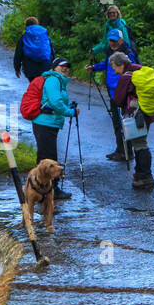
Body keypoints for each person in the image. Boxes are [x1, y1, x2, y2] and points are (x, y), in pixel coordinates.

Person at [30, 57, 79, 200]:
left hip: (48, 123)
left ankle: (42, 189)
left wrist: (69, 107)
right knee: (49, 159)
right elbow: (55, 102)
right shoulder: (53, 80)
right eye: (61, 66)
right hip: (45, 123)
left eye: (66, 67)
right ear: (54, 67)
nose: (64, 68)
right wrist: (70, 112)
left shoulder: (58, 81)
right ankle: (51, 190)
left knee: (45, 157)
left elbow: (56, 103)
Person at [88, 30, 137, 162]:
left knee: (125, 123)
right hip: (112, 92)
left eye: (115, 40)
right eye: (111, 40)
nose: (113, 43)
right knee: (116, 122)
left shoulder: (127, 53)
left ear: (121, 40)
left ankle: (127, 151)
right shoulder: (109, 52)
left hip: (124, 93)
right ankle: (120, 150)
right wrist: (94, 67)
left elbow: (133, 69)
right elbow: (106, 65)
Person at [110, 52, 154, 191]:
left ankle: (144, 177)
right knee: (142, 142)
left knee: (140, 145)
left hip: (135, 114)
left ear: (121, 64)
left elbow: (118, 99)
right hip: (146, 113)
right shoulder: (140, 69)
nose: (114, 71)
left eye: (114, 68)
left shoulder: (126, 77)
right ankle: (142, 175)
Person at [13, 17, 53, 81]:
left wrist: (17, 68)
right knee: (44, 85)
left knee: (33, 86)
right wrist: (53, 66)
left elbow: (18, 54)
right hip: (45, 65)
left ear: (26, 25)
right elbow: (52, 51)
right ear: (37, 24)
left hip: (30, 68)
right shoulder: (44, 35)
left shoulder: (24, 37)